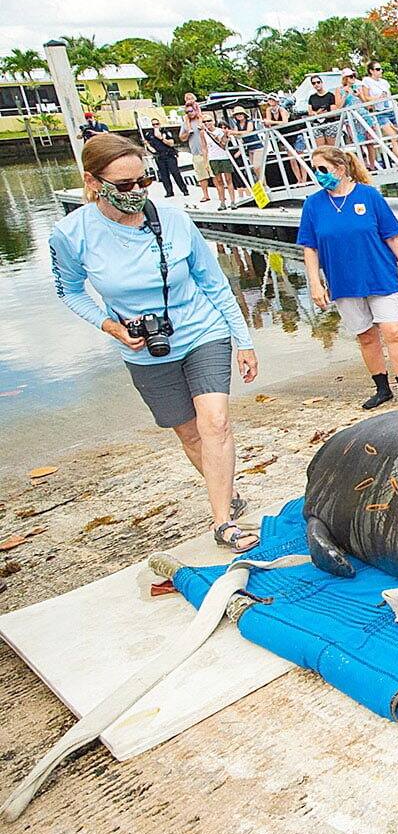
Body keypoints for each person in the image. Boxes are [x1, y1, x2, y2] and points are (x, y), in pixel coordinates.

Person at [49, 134, 260, 551]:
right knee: (190, 434)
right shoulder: (71, 234)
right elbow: (69, 290)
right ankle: (228, 494)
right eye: (125, 185)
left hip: (201, 330)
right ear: (92, 182)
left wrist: (244, 340)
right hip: (144, 348)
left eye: (144, 181)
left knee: (215, 422)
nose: (137, 192)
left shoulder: (174, 220)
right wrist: (110, 326)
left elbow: (214, 284)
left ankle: (223, 522)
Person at [296, 146, 398, 410]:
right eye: (314, 169)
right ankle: (382, 389)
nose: (318, 174)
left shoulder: (369, 196)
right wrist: (315, 283)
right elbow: (310, 247)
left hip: (379, 274)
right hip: (343, 281)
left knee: (393, 331)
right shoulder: (313, 205)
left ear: (340, 169)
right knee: (366, 336)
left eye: (323, 169)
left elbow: (392, 237)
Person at [360, 61, 398, 164]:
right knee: (393, 136)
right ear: (371, 71)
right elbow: (366, 97)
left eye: (381, 69)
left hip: (391, 109)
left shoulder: (384, 82)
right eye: (378, 69)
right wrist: (377, 98)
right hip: (381, 112)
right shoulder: (367, 81)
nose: (380, 71)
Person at [142, 114, 187, 198]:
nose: (155, 126)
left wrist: (161, 138)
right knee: (164, 175)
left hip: (169, 155)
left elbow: (171, 143)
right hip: (159, 156)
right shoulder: (149, 134)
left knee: (175, 173)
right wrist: (148, 146)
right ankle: (169, 192)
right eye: (153, 124)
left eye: (157, 124)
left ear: (159, 124)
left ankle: (184, 190)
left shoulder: (165, 132)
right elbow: (148, 145)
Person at [180, 94, 215, 203]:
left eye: (191, 111)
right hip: (196, 153)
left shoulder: (203, 119)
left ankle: (221, 193)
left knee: (215, 174)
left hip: (210, 151)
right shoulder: (185, 123)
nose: (189, 113)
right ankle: (205, 195)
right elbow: (182, 138)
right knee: (201, 175)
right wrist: (188, 132)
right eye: (187, 112)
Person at [305, 75, 339, 148]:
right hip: (317, 125)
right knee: (321, 150)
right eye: (314, 83)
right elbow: (310, 112)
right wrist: (318, 113)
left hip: (330, 123)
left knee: (332, 149)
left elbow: (333, 111)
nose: (316, 84)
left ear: (321, 82)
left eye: (318, 82)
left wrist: (321, 114)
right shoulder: (312, 97)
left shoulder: (330, 95)